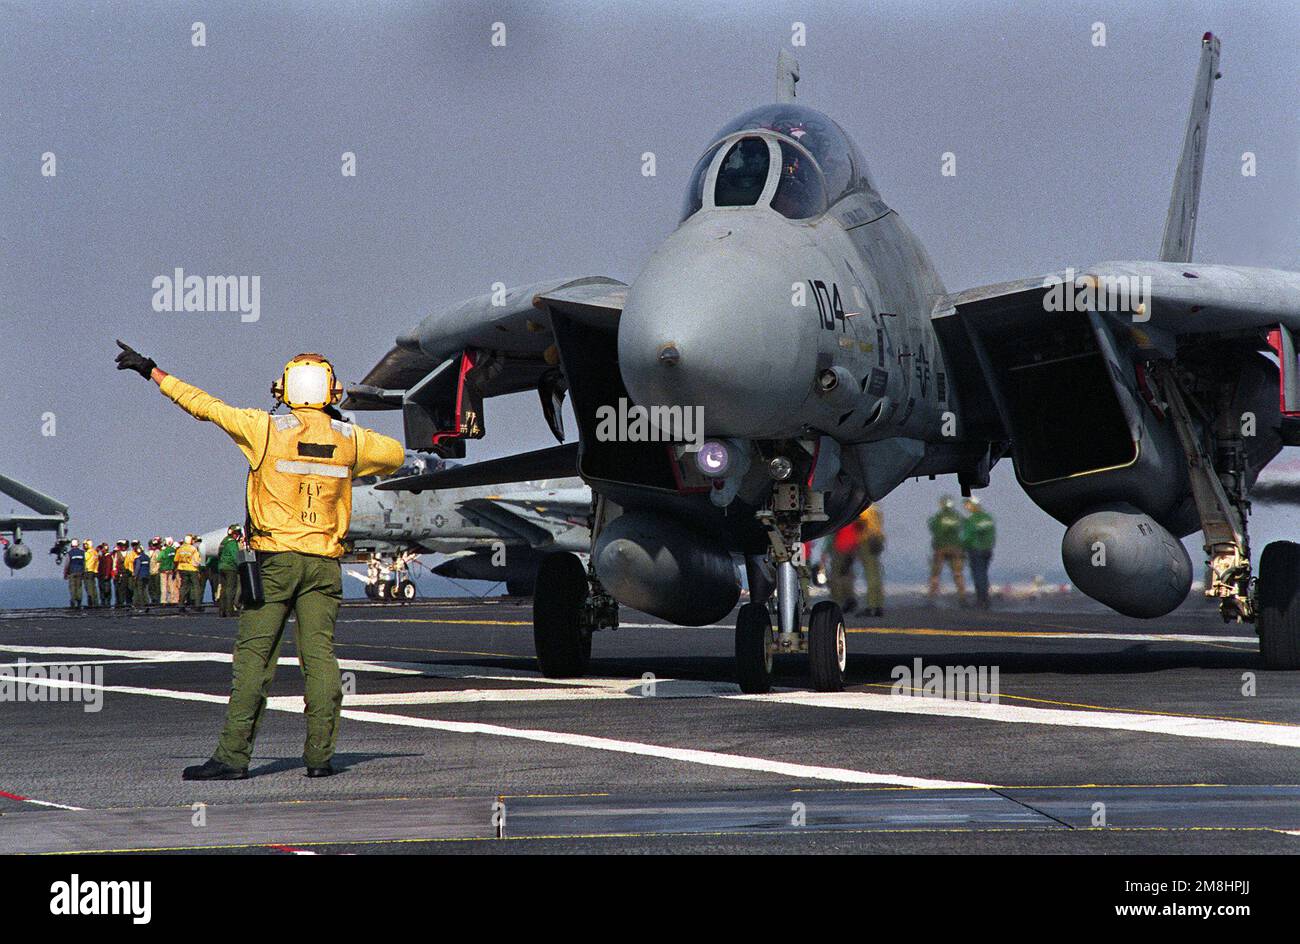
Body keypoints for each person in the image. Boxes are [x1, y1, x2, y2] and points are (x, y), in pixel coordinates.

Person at [116, 341, 404, 780]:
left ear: (284, 388)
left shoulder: (264, 429)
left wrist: (152, 372)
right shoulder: (351, 441)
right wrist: (338, 422)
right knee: (321, 659)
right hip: (324, 564)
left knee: (254, 660)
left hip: (274, 563)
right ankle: (319, 758)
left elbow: (205, 406)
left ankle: (233, 758)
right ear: (331, 390)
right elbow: (396, 455)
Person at [928, 496, 967, 604]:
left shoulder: (938, 517)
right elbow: (964, 528)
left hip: (941, 548)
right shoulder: (958, 517)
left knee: (935, 574)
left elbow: (933, 528)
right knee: (958, 573)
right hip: (956, 548)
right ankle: (962, 596)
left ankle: (931, 597)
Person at [961, 496, 997, 609]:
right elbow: (992, 535)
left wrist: (962, 547)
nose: (966, 507)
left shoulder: (971, 519)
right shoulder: (988, 518)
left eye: (967, 504)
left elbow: (967, 537)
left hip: (975, 550)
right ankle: (985, 599)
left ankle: (981, 600)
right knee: (984, 574)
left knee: (978, 575)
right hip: (987, 550)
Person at [858, 504, 886, 617]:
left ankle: (872, 605)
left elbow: (861, 524)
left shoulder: (864, 510)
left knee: (871, 576)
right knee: (876, 575)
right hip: (877, 540)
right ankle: (878, 605)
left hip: (867, 541)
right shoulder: (877, 509)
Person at [217, 525, 243, 618]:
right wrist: (241, 566)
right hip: (230, 568)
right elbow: (235, 556)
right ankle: (229, 611)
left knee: (223, 589)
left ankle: (222, 611)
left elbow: (219, 554)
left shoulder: (224, 541)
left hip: (221, 566)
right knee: (230, 589)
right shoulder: (232, 543)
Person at [175, 534, 203, 611]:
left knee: (184, 587)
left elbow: (176, 560)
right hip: (192, 569)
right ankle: (197, 605)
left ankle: (181, 605)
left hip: (182, 569)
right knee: (196, 586)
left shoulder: (180, 549)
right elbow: (197, 561)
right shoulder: (193, 549)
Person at [65, 539, 87, 609]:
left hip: (72, 572)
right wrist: (84, 572)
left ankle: (73, 602)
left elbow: (67, 564)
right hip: (80, 572)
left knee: (72, 588)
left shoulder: (70, 553)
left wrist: (65, 573)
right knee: (79, 587)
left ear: (71, 545)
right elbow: (84, 563)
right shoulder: (82, 553)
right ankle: (79, 602)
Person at [132, 540, 152, 609]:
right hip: (146, 576)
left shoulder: (138, 558)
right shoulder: (147, 557)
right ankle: (147, 602)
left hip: (140, 576)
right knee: (145, 589)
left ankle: (140, 603)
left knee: (139, 589)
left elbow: (137, 568)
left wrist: (135, 576)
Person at [157, 537, 177, 604]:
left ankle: (163, 600)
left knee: (163, 586)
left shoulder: (164, 551)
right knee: (171, 586)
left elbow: (158, 559)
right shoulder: (174, 551)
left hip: (163, 570)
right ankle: (173, 600)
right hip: (171, 570)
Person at [113, 540, 130, 608]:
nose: (123, 547)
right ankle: (120, 602)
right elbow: (114, 563)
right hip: (120, 573)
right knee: (119, 589)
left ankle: (128, 602)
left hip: (127, 573)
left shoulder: (129, 553)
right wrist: (115, 571)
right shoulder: (117, 554)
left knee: (127, 589)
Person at [83, 540, 100, 607]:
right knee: (93, 588)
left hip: (87, 572)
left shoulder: (87, 553)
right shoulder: (95, 553)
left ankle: (91, 603)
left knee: (89, 588)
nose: (84, 546)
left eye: (85, 544)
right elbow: (97, 563)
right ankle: (96, 603)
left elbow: (83, 560)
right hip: (93, 572)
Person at [121, 540, 138, 607]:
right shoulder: (130, 554)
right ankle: (130, 603)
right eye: (133, 545)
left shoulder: (139, 554)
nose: (135, 546)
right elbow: (126, 564)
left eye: (136, 545)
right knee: (130, 589)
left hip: (138, 574)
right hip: (131, 574)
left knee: (138, 589)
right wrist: (128, 570)